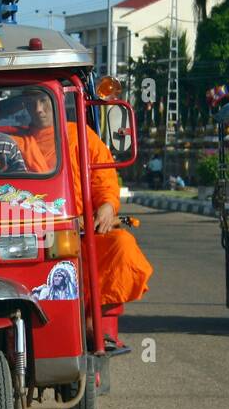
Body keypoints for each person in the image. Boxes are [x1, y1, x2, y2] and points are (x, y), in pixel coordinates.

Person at [13, 91, 152, 314]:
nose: (38, 109)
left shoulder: (80, 135)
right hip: (36, 236)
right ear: (24, 107)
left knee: (122, 245)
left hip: (82, 231)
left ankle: (98, 318)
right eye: (31, 103)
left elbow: (104, 182)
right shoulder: (17, 142)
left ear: (58, 101)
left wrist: (107, 206)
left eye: (43, 101)